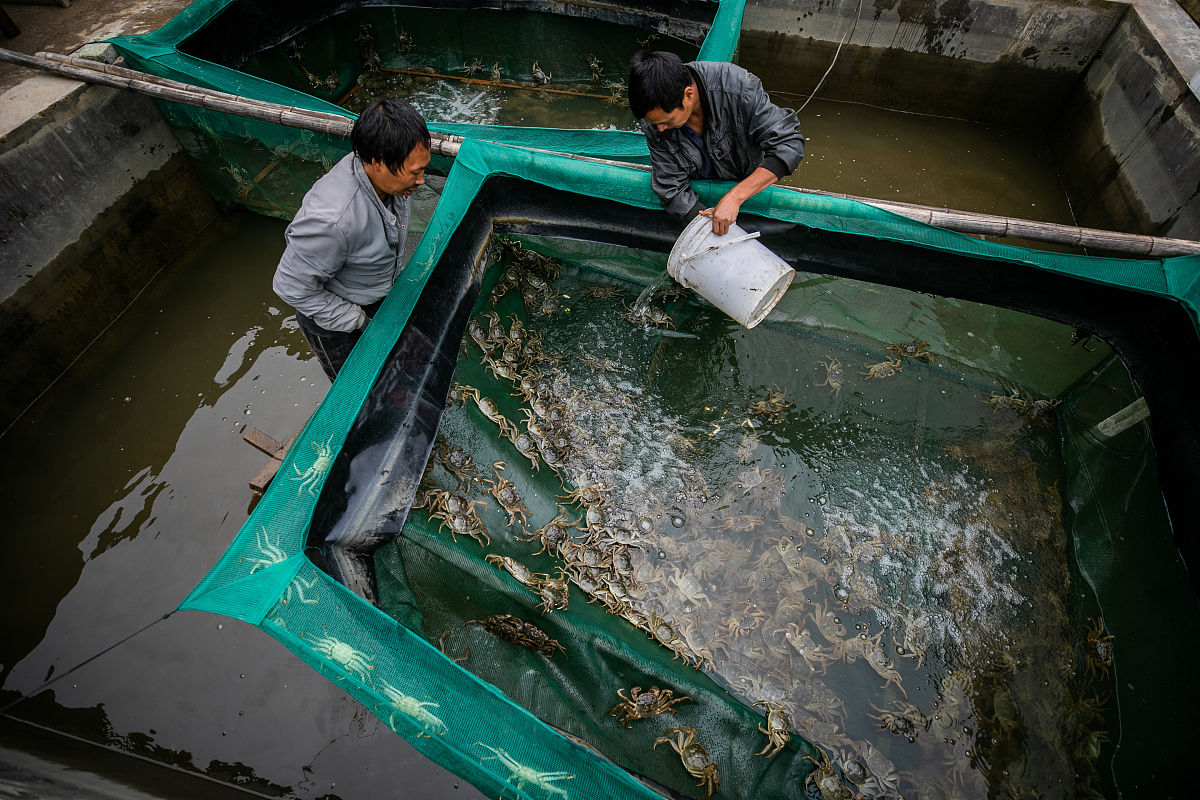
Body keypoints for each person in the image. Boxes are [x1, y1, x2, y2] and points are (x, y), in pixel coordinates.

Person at [273, 98, 431, 381]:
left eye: (423, 169)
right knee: (357, 386)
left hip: (372, 289)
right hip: (333, 322)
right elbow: (290, 286)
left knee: (393, 366)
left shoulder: (390, 183)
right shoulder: (332, 221)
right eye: (415, 172)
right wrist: (356, 320)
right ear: (378, 161)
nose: (421, 181)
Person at [628, 51, 805, 236]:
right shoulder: (654, 123)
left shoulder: (738, 87)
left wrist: (735, 197)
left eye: (666, 121)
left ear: (688, 95)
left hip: (749, 189)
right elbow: (670, 185)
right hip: (702, 199)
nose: (661, 129)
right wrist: (706, 229)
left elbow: (789, 144)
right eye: (655, 123)